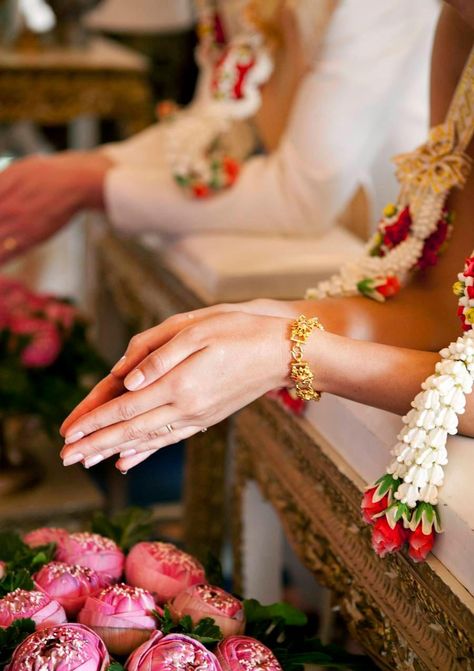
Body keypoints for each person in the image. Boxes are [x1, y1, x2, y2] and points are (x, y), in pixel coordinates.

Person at [59, 3, 474, 478]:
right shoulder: (461, 20)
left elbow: (301, 192)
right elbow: (439, 311)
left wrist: (291, 352)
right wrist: (252, 322)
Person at [0, 0, 439, 265]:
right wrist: (80, 169)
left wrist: (88, 184)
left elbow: (303, 200)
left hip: (382, 244)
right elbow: (213, 122)